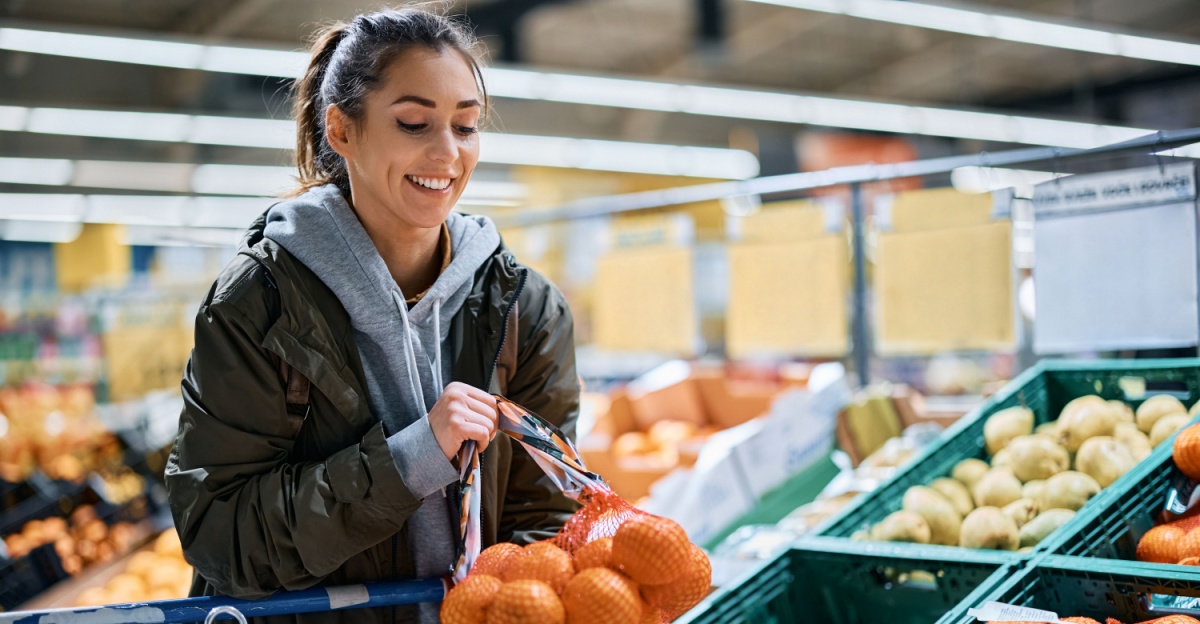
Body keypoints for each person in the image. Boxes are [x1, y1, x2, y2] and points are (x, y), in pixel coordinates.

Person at [164, 6, 580, 623]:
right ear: (341, 129)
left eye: (465, 126)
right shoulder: (260, 302)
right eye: (414, 123)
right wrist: (410, 460)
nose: (447, 153)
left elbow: (546, 515)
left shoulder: (525, 307)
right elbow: (222, 536)